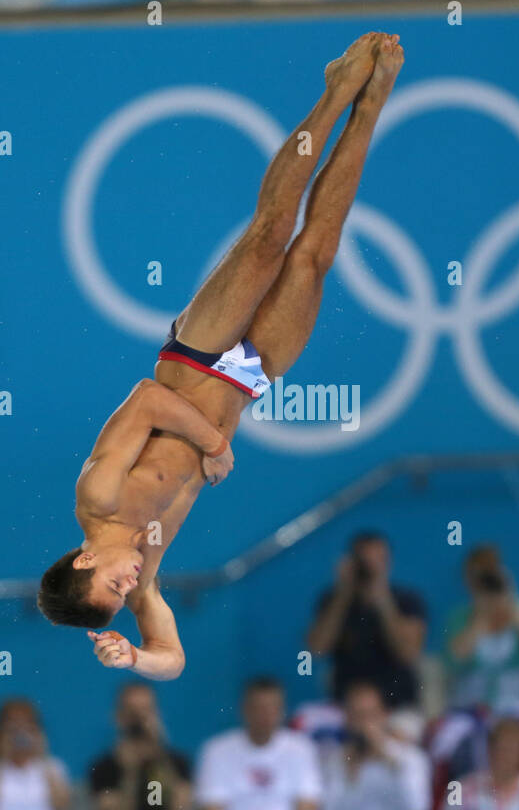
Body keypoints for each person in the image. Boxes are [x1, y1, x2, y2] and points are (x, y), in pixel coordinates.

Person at [35, 33, 407, 682]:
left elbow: (147, 399)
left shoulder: (97, 493)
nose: (130, 590)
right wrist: (136, 656)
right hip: (248, 378)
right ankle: (372, 106)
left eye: (115, 590)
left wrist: (211, 443)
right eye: (125, 600)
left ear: (85, 562)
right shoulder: (145, 563)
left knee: (268, 238)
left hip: (196, 357)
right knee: (317, 250)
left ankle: (336, 89)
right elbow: (174, 659)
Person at [307, 531, 428, 714]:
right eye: (365, 561)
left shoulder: (407, 601)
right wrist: (343, 593)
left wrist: (384, 602)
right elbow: (316, 649)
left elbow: (408, 653)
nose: (371, 567)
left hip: (397, 706)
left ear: (388, 562)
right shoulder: (333, 600)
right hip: (344, 707)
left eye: (378, 560)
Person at [194, 677, 323, 810]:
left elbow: (307, 808)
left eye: (272, 708)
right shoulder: (216, 750)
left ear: (282, 710)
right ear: (244, 709)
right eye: (258, 708)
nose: (265, 716)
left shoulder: (301, 749)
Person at [444, 545, 519, 712]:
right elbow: (455, 658)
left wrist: (509, 599)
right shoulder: (460, 616)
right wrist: (480, 616)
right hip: (472, 706)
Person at [319, 681, 431, 810]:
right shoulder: (337, 759)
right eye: (358, 716)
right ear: (347, 720)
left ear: (385, 715)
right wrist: (350, 776)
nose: (365, 724)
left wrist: (390, 762)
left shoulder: (411, 757)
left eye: (371, 715)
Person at [88, 682, 192, 810]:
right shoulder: (103, 767)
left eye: (145, 710)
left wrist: (160, 754)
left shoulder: (176, 762)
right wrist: (130, 772)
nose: (139, 719)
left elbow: (180, 808)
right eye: (132, 711)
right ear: (119, 716)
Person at [0, 698, 72, 810]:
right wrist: (1, 757)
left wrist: (42, 754)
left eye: (27, 725)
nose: (20, 732)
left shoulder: (53, 766)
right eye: (13, 726)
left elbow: (62, 807)